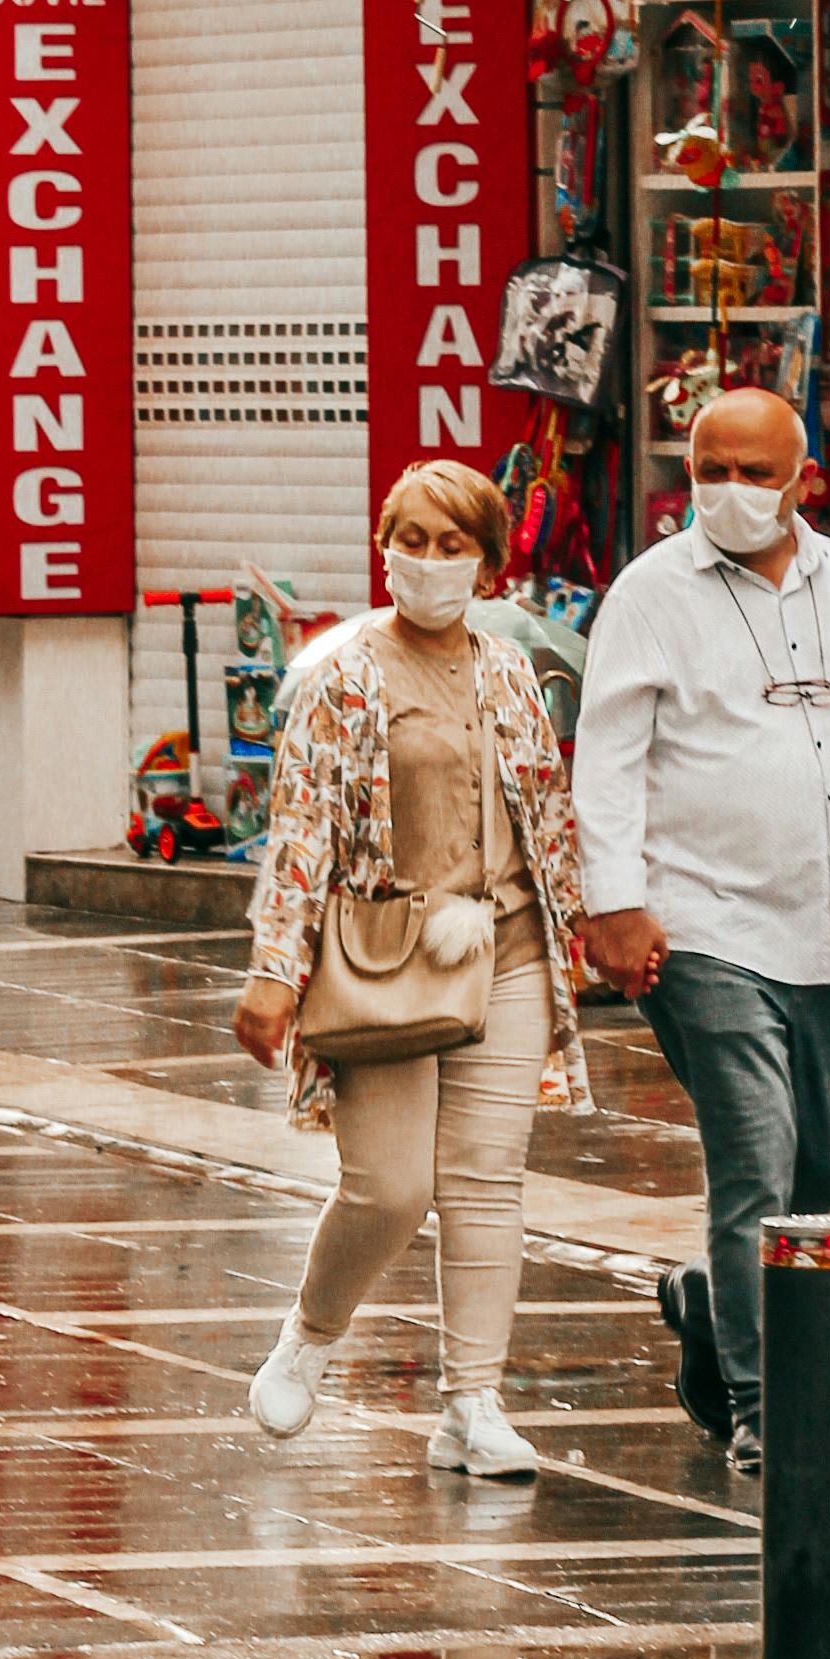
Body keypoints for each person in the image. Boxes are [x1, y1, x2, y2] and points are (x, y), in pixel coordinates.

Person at [572, 386, 830, 1481]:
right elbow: (609, 756)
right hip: (703, 926)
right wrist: (615, 903)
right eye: (711, 470)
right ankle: (756, 1397)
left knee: (823, 1160)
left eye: (756, 471)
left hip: (826, 921)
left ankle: (707, 1292)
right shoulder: (649, 594)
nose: (732, 491)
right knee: (756, 1158)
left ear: (803, 479)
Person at [234, 463, 590, 1478]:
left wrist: (580, 933)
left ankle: (473, 1404)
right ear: (380, 546)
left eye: (451, 546)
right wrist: (273, 974)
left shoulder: (512, 671)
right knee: (389, 1187)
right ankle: (307, 1336)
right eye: (412, 540)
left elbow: (548, 816)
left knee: (484, 1183)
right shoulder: (341, 675)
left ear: (487, 561)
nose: (429, 563)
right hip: (381, 954)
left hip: (507, 948)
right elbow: (299, 830)